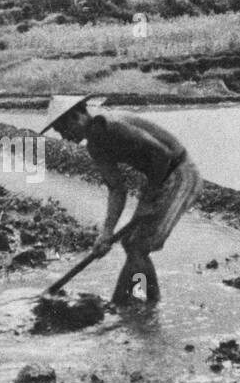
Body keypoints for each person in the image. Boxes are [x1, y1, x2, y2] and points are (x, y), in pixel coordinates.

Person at [39, 94, 201, 306]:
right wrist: (106, 233)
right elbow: (116, 188)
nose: (64, 138)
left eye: (63, 130)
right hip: (157, 176)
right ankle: (145, 299)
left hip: (180, 174)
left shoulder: (111, 126)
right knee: (132, 243)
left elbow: (162, 155)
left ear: (76, 117)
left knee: (138, 246)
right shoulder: (95, 146)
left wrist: (149, 200)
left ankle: (141, 299)